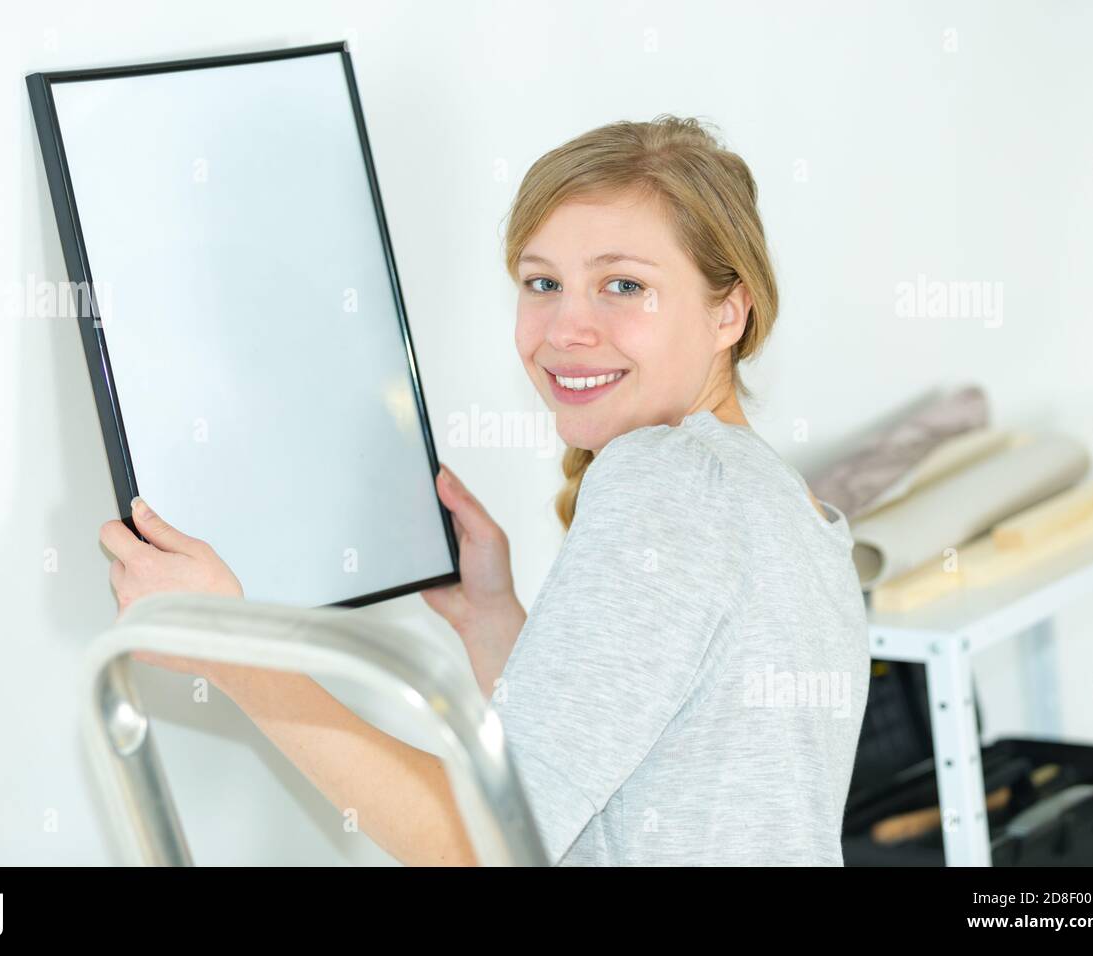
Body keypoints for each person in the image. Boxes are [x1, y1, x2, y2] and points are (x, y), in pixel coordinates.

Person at [99, 114, 871, 866]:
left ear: (728, 311)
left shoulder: (668, 485)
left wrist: (235, 652)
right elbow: (626, 768)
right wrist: (494, 622)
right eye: (543, 282)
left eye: (623, 285)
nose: (566, 327)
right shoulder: (776, 495)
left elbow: (481, 847)